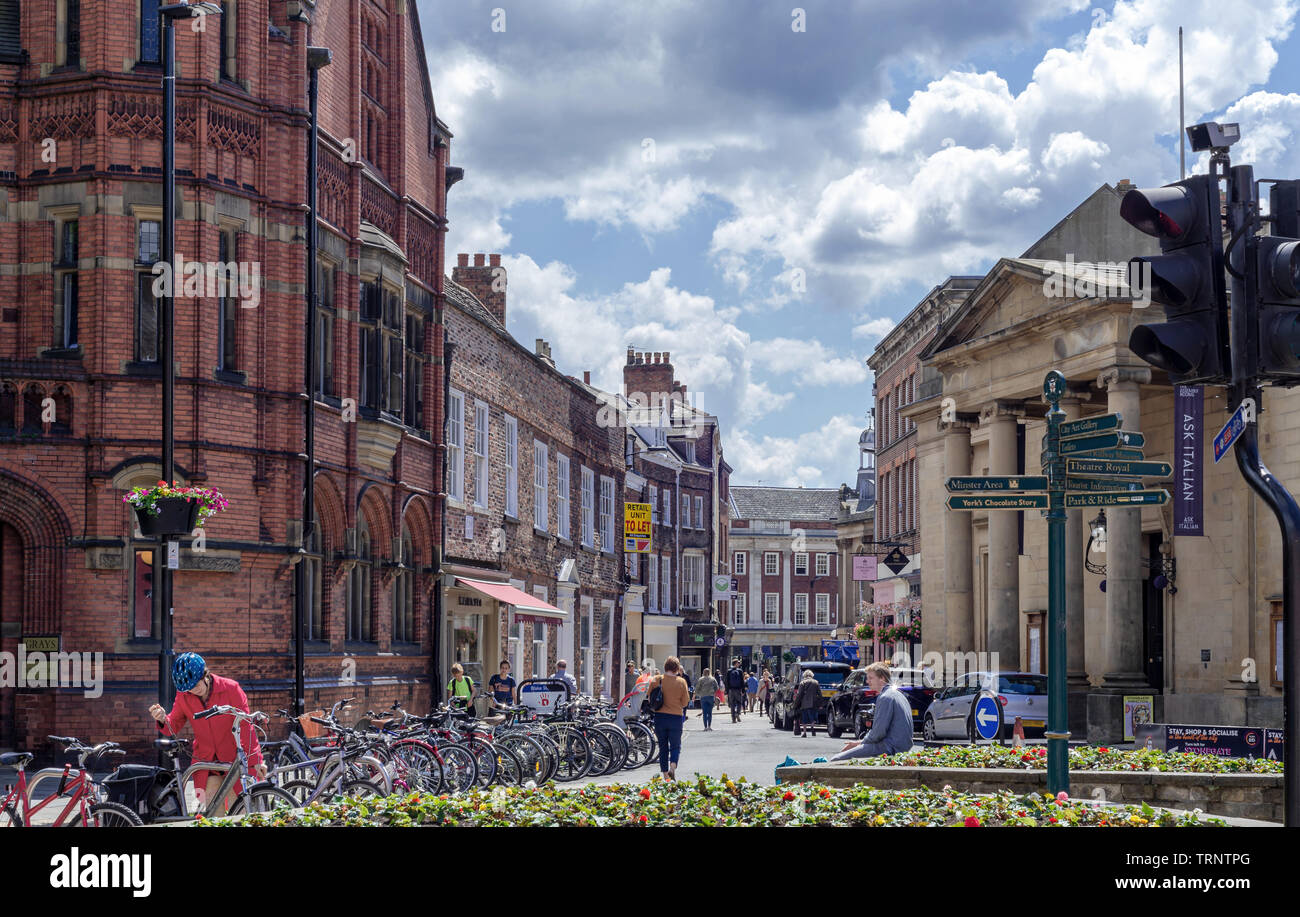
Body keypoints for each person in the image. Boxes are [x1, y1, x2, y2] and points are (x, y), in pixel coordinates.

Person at [148, 652, 265, 816]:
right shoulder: (184, 695)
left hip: (233, 760)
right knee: (212, 813)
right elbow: (172, 726)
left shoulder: (231, 689)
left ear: (205, 675)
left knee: (238, 812)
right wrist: (162, 719)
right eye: (188, 689)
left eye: (195, 686)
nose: (193, 691)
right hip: (206, 760)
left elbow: (247, 728)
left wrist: (256, 761)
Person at [831, 662, 914, 759]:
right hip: (901, 746)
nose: (867, 681)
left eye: (871, 678)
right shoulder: (899, 695)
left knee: (836, 759)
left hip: (890, 747)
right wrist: (859, 743)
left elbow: (878, 733)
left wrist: (860, 743)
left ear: (882, 678)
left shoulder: (885, 697)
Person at [649, 656, 691, 780]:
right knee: (675, 745)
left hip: (660, 717)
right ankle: (673, 766)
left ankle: (666, 775)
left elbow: (649, 696)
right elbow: (685, 702)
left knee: (663, 747)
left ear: (665, 667)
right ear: (677, 668)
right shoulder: (681, 682)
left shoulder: (656, 679)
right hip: (675, 717)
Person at [791, 668, 821, 737]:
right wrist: (820, 703)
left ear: (804, 675)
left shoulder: (802, 683)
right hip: (813, 703)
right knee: (812, 717)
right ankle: (812, 727)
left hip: (804, 703)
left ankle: (804, 732)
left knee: (804, 718)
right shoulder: (816, 682)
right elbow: (819, 694)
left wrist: (796, 704)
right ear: (812, 675)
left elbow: (799, 694)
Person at [724, 658, 747, 723]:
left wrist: (727, 691)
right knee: (739, 703)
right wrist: (743, 690)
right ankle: (737, 713)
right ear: (736, 663)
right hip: (738, 689)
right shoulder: (740, 671)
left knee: (732, 704)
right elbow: (742, 681)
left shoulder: (729, 671)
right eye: (738, 663)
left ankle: (733, 719)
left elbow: (727, 681)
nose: (739, 664)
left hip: (731, 690)